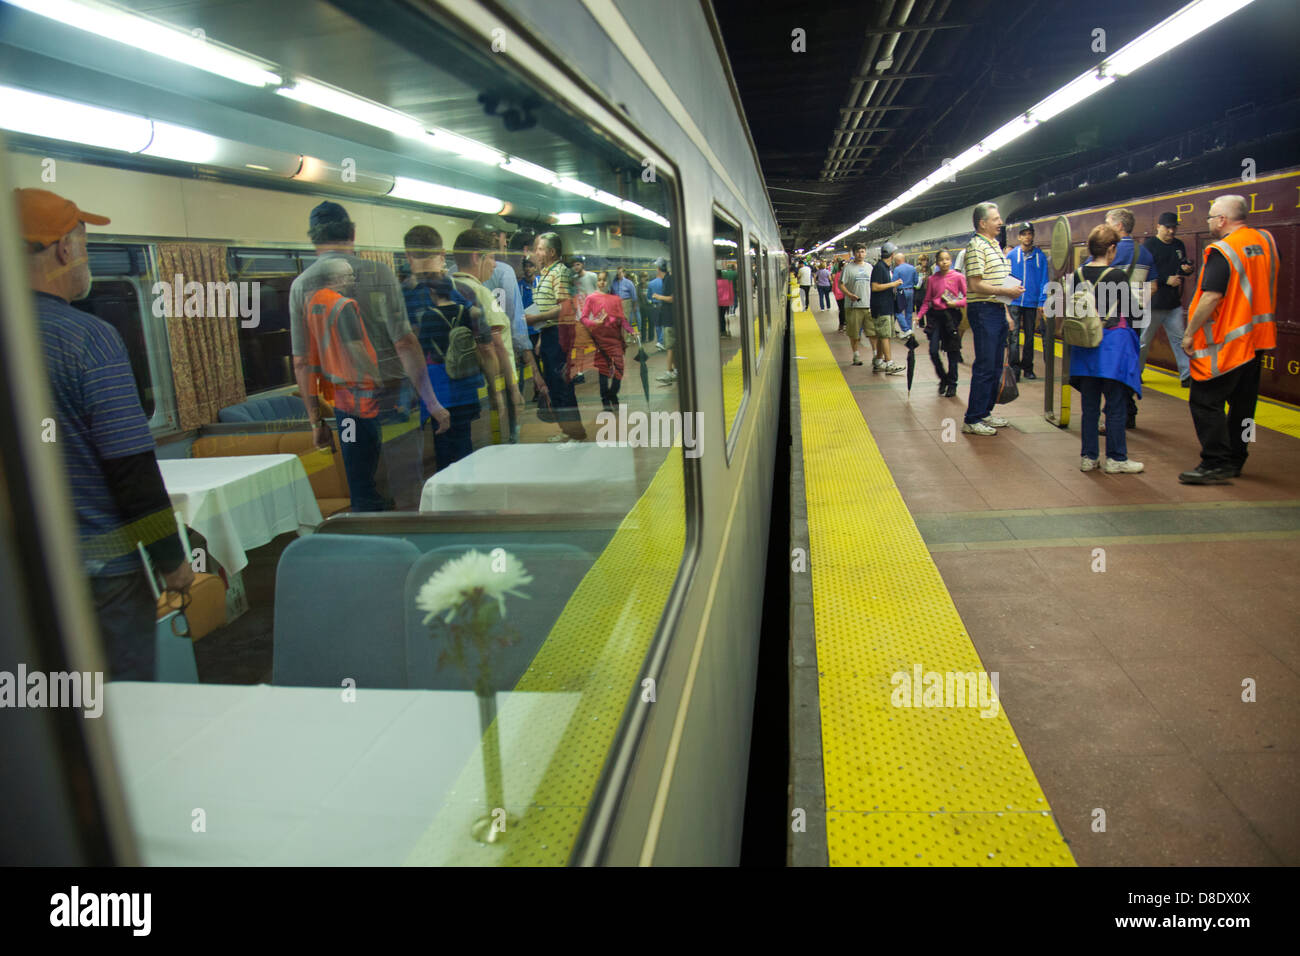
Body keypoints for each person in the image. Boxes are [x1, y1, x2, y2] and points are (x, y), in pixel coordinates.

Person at [19, 187, 194, 680]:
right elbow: (129, 467)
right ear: (63, 249)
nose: (86, 258)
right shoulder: (88, 339)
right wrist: (172, 561)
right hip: (98, 570)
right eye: (86, 245)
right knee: (123, 709)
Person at [290, 201, 447, 511]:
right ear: (352, 232)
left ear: (313, 239)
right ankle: (414, 548)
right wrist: (432, 402)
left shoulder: (300, 286)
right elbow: (404, 343)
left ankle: (375, 551)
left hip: (346, 403)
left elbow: (301, 361)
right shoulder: (379, 272)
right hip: (393, 395)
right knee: (407, 483)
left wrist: (314, 421)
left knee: (362, 489)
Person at [1178, 195, 1278, 484]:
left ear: (1222, 220)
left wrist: (1188, 333)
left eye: (1210, 216)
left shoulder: (1223, 250)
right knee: (1244, 405)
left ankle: (1215, 463)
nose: (1208, 221)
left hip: (1230, 342)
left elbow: (1211, 296)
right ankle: (1236, 458)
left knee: (1204, 401)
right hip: (1259, 339)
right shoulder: (1267, 242)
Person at [402, 232, 494, 470]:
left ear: (408, 256)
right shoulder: (462, 293)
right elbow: (484, 340)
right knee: (463, 443)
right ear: (442, 255)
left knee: (443, 446)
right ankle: (468, 490)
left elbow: (408, 346)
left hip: (434, 385)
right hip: (464, 381)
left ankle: (449, 497)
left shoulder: (405, 295)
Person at [1069, 224, 1144, 473]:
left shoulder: (1078, 274)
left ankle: (1088, 457)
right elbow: (1134, 313)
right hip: (1111, 348)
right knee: (1115, 405)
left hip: (1085, 346)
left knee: (1089, 407)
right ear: (1112, 249)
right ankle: (1116, 459)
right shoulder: (1117, 276)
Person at [472, 214, 543, 443]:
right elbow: (515, 319)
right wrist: (528, 355)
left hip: (473, 357)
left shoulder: (454, 270)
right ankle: (510, 438)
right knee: (509, 405)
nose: (505, 242)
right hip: (503, 353)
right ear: (494, 237)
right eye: (504, 236)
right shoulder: (503, 271)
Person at [452, 228, 525, 440]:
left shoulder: (450, 285)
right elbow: (494, 345)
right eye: (491, 258)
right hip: (494, 382)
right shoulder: (480, 292)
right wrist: (509, 391)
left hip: (467, 381)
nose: (494, 264)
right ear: (477, 258)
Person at [961, 202, 1023, 436]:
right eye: (996, 219)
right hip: (983, 310)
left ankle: (985, 412)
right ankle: (972, 418)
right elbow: (975, 284)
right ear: (982, 223)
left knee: (996, 364)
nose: (1000, 223)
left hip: (996, 309)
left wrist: (1006, 311)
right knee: (985, 365)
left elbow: (998, 279)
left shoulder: (994, 245)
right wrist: (1007, 293)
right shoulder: (976, 247)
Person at [527, 232, 586, 442]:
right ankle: (566, 429)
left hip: (560, 335)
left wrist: (535, 318)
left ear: (552, 252)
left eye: (540, 249)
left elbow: (565, 307)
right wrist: (542, 335)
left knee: (562, 384)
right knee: (554, 384)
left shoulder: (560, 272)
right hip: (550, 333)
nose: (536, 252)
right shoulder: (545, 273)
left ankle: (575, 433)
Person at [1104, 208, 1157, 428]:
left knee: (1111, 366)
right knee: (1128, 363)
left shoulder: (1109, 250)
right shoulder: (1144, 253)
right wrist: (1136, 304)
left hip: (1112, 317)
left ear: (1118, 226)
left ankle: (1115, 415)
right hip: (1135, 316)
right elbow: (1153, 286)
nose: (1105, 226)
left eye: (1108, 222)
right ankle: (1130, 411)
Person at [1141, 211, 1196, 386]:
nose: (1171, 231)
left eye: (1174, 227)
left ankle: (1186, 376)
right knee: (1143, 341)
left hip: (1173, 304)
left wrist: (1187, 270)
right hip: (1153, 303)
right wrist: (1166, 279)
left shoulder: (1178, 245)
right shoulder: (1149, 246)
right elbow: (1144, 272)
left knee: (1180, 339)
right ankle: (1135, 373)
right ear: (1158, 227)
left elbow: (1180, 267)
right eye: (1167, 227)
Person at [581, 271, 638, 412]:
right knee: (603, 371)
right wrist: (595, 322)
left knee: (619, 370)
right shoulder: (591, 298)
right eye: (599, 280)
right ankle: (605, 401)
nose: (601, 283)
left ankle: (612, 394)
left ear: (609, 282)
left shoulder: (615, 299)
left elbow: (622, 319)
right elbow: (583, 318)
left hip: (615, 340)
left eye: (604, 280)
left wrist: (631, 331)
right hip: (600, 340)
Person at [917, 248, 967, 397]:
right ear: (937, 262)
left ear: (950, 261)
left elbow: (966, 297)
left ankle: (952, 384)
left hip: (951, 316)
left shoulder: (958, 277)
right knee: (933, 351)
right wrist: (918, 316)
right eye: (941, 260)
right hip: (936, 317)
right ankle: (943, 378)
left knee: (952, 351)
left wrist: (955, 304)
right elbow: (927, 301)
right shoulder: (932, 279)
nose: (944, 262)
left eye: (947, 259)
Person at [1006, 222, 1049, 381]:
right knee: (1014, 336)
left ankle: (1028, 368)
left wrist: (1042, 301)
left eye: (1030, 233)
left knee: (1030, 336)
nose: (1027, 237)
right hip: (1015, 301)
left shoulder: (1040, 256)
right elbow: (1007, 278)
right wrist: (1006, 299)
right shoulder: (1011, 256)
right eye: (1024, 234)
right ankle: (1014, 369)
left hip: (1032, 302)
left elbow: (1044, 279)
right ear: (1019, 237)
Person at [869, 242, 906, 374]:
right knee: (885, 336)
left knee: (882, 335)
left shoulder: (885, 267)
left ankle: (879, 361)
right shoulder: (880, 267)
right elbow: (875, 286)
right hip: (881, 307)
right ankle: (889, 363)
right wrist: (893, 284)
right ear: (892, 254)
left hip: (886, 306)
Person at [839, 242, 874, 367]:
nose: (860, 254)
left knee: (872, 332)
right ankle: (856, 355)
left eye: (863, 251)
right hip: (853, 306)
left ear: (865, 253)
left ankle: (875, 355)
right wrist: (849, 295)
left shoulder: (870, 267)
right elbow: (841, 284)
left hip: (868, 305)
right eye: (858, 251)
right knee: (854, 333)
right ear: (854, 254)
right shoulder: (848, 268)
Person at [649, 258, 678, 384]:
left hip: (670, 319)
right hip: (669, 318)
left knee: (670, 347)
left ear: (659, 269)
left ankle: (669, 372)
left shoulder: (668, 280)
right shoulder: (667, 279)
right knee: (671, 346)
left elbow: (672, 298)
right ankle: (675, 370)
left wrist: (657, 296)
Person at [891, 250, 917, 335]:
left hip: (901, 292)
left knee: (898, 311)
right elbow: (916, 281)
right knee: (909, 312)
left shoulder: (897, 269)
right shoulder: (912, 268)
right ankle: (909, 330)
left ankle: (906, 329)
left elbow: (893, 282)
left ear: (898, 261)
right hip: (911, 291)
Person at [716, 262, 736, 336]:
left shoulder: (712, 283)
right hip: (725, 303)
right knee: (722, 316)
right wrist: (730, 303)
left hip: (716, 303)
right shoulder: (726, 282)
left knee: (717, 317)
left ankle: (718, 330)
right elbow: (730, 293)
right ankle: (723, 330)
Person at [831, 258, 846, 331]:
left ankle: (842, 325)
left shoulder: (837, 274)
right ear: (841, 267)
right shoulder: (842, 274)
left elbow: (834, 286)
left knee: (842, 310)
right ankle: (842, 325)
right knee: (843, 311)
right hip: (843, 295)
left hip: (839, 295)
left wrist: (835, 293)